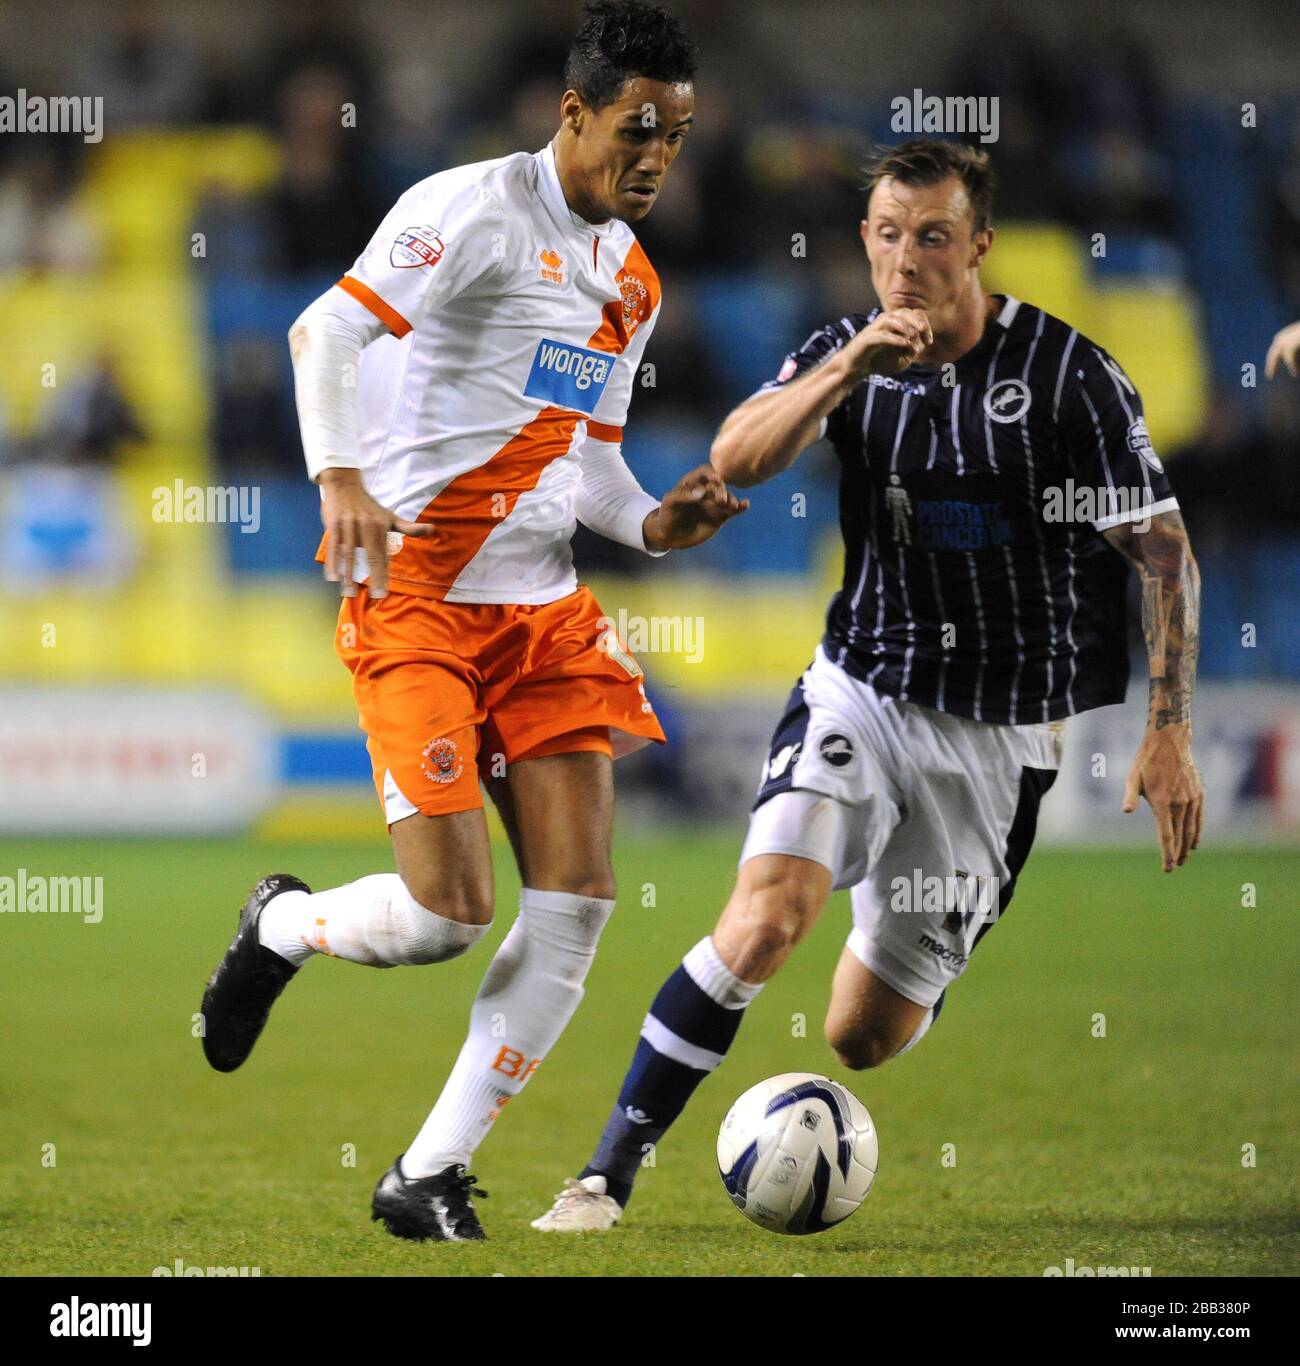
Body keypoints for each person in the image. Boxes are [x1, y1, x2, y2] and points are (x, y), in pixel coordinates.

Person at [533, 138, 1204, 1233]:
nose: (906, 261)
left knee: (862, 1037)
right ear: (864, 241)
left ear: (978, 246)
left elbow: (1164, 553)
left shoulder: (1068, 377)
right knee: (763, 920)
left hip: (994, 741)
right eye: (887, 236)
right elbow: (734, 458)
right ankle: (603, 1174)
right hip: (862, 689)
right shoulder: (845, 353)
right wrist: (844, 372)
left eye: (932, 238)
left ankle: (900, 951)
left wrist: (1168, 727)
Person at [199, 0, 746, 1244]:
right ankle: (282, 924)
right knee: (448, 917)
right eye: (637, 129)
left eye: (679, 134)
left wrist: (656, 523)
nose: (658, 155)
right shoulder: (470, 212)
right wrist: (339, 477)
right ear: (573, 113)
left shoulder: (634, 282)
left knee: (580, 898)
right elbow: (322, 328)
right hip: (418, 600)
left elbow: (588, 464)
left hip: (543, 610)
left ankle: (425, 1175)